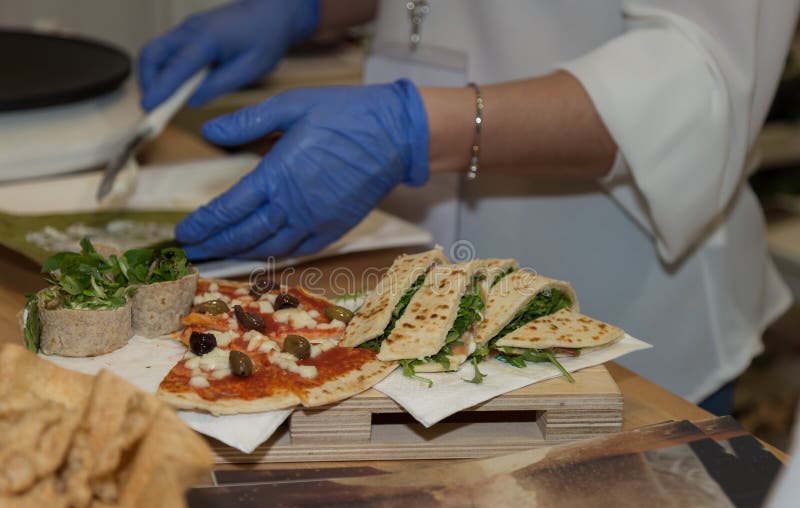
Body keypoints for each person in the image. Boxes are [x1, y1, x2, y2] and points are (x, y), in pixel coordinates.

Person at [139, 0, 796, 408]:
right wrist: (305, 7)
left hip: (626, 312)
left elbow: (698, 75)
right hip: (414, 258)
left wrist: (417, 129)